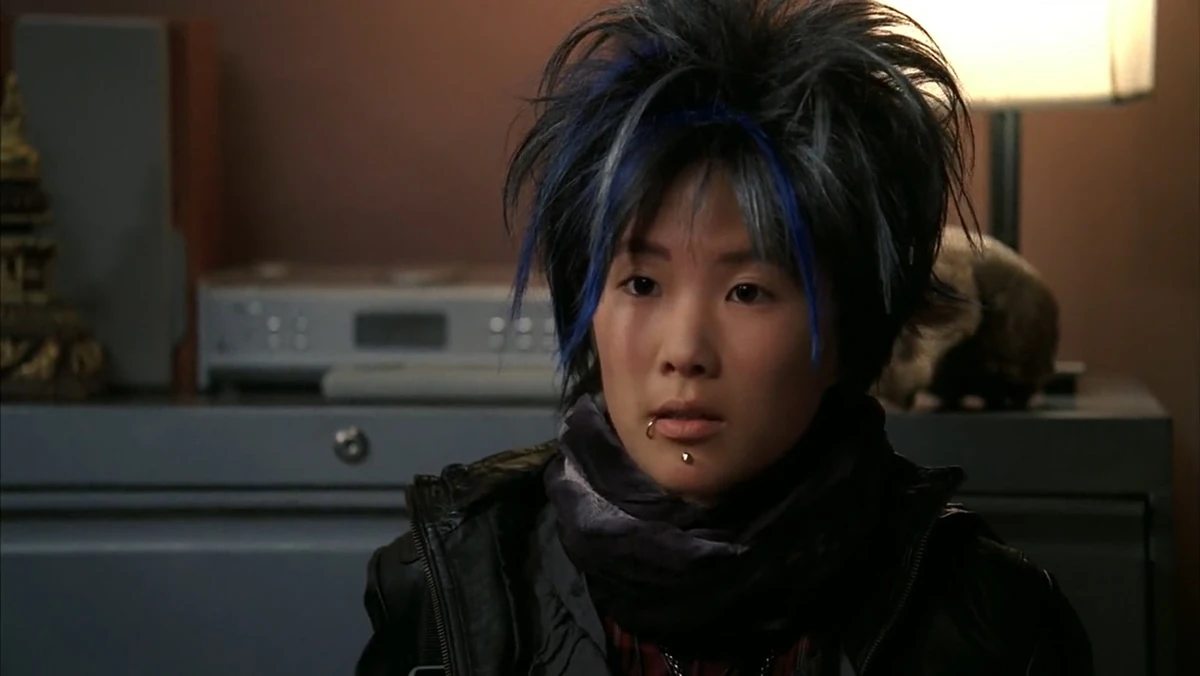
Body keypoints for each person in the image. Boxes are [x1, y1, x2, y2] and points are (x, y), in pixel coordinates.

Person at [356, 0, 1094, 674]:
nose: (684, 352)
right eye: (641, 284)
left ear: (847, 326)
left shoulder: (989, 623)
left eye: (747, 291)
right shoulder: (449, 594)